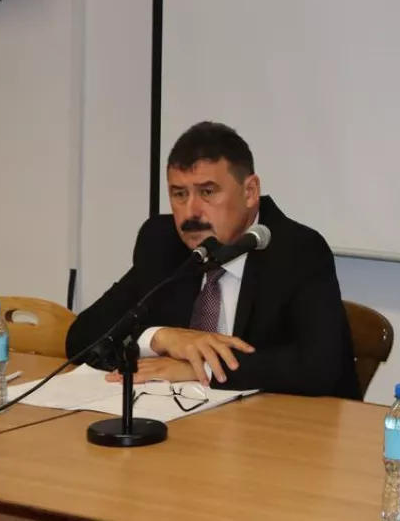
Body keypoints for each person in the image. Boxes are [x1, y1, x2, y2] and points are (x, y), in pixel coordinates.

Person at [65, 121, 361, 400]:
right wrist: (161, 338)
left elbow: (320, 367)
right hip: (185, 419)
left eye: (207, 192)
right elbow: (81, 338)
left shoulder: (296, 249)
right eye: (179, 194)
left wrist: (202, 368)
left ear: (250, 192)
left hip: (279, 425)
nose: (190, 212)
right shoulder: (163, 242)